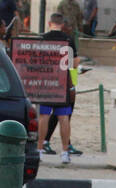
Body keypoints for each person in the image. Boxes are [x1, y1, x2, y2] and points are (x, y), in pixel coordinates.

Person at [38, 12, 83, 163]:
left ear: (49, 23)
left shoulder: (42, 39)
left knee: (44, 116)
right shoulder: (68, 39)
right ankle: (65, 152)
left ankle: (39, 150)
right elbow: (75, 63)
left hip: (45, 84)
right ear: (62, 24)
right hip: (62, 83)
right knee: (64, 117)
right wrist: (73, 83)